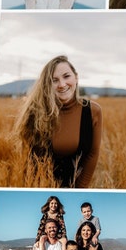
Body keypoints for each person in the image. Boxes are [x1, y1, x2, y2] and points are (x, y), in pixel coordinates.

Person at [15, 55, 102, 188]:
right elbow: (32, 161)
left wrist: (79, 189)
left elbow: (93, 153)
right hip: (43, 186)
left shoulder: (92, 111)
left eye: (66, 76)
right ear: (47, 85)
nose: (62, 84)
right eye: (54, 80)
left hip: (77, 188)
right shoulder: (36, 112)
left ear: (76, 77)